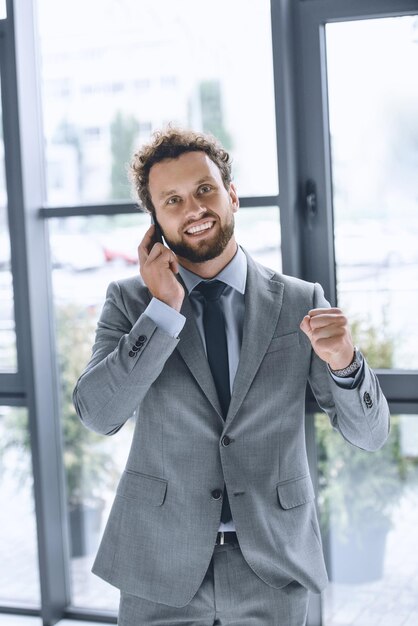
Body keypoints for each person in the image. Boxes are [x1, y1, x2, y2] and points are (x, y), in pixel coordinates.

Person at [73, 127, 390, 626]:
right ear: (154, 221)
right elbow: (98, 414)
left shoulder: (300, 301)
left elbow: (369, 435)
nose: (194, 208)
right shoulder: (130, 302)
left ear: (232, 195)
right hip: (159, 564)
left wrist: (345, 361)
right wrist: (161, 313)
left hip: (272, 565)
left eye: (205, 189)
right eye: (172, 200)